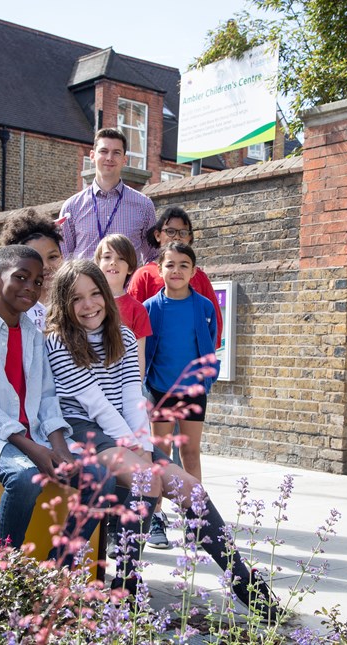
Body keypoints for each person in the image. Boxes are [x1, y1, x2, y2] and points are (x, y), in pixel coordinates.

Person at [44, 260, 282, 620]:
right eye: (77, 298)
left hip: (123, 430)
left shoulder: (122, 335)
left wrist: (139, 439)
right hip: (82, 429)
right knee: (146, 478)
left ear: (107, 296)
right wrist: (134, 444)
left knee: (190, 490)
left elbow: (130, 393)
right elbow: (93, 401)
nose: (89, 304)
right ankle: (124, 586)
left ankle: (243, 582)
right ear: (64, 303)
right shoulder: (57, 342)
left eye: (96, 294)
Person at [0, 245, 114, 555]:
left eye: (38, 281)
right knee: (26, 476)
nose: (30, 287)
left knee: (101, 478)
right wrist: (35, 450)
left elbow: (48, 398)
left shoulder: (34, 336)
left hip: (37, 437)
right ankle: (3, 570)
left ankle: (60, 566)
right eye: (21, 277)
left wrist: (60, 449)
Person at [143, 242, 219, 544]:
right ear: (160, 269)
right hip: (160, 390)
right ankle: (156, 516)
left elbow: (208, 343)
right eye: (170, 264)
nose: (176, 270)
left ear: (194, 271)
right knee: (158, 455)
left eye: (183, 265)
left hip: (194, 393)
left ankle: (195, 516)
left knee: (190, 452)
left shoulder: (204, 307)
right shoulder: (150, 307)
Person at [127, 206, 222, 348]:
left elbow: (215, 322)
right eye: (170, 231)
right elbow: (131, 321)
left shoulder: (199, 277)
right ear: (158, 235)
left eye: (183, 232)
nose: (177, 237)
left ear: (189, 238)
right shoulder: (143, 276)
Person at [58, 128, 156, 263]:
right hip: (84, 283)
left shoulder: (144, 206)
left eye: (116, 153)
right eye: (104, 151)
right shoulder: (71, 207)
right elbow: (64, 259)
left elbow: (152, 257)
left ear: (124, 159)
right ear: (92, 156)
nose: (109, 158)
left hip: (126, 284)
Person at [93, 233, 151, 376]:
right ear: (97, 263)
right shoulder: (87, 302)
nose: (113, 262)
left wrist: (136, 391)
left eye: (121, 258)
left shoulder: (138, 310)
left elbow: (139, 357)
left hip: (123, 384)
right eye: (107, 257)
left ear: (130, 268)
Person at [0, 209, 64, 331]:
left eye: (53, 257)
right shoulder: (7, 308)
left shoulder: (74, 301)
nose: (45, 266)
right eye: (36, 258)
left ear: (62, 256)